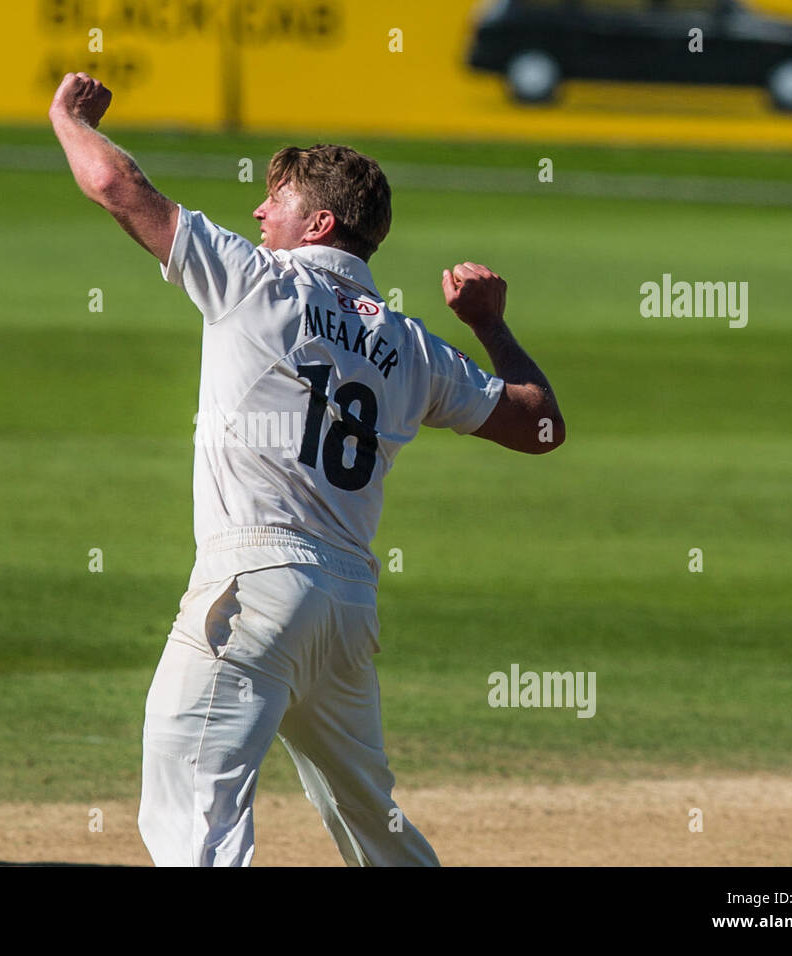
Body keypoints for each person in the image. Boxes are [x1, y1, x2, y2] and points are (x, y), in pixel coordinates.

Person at [49, 72, 565, 866]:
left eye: (275, 199)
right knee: (374, 827)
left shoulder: (256, 284)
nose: (258, 212)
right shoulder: (413, 344)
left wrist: (68, 118)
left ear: (317, 221)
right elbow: (541, 426)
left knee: (194, 821)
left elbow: (115, 182)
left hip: (254, 587)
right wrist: (492, 326)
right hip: (346, 611)